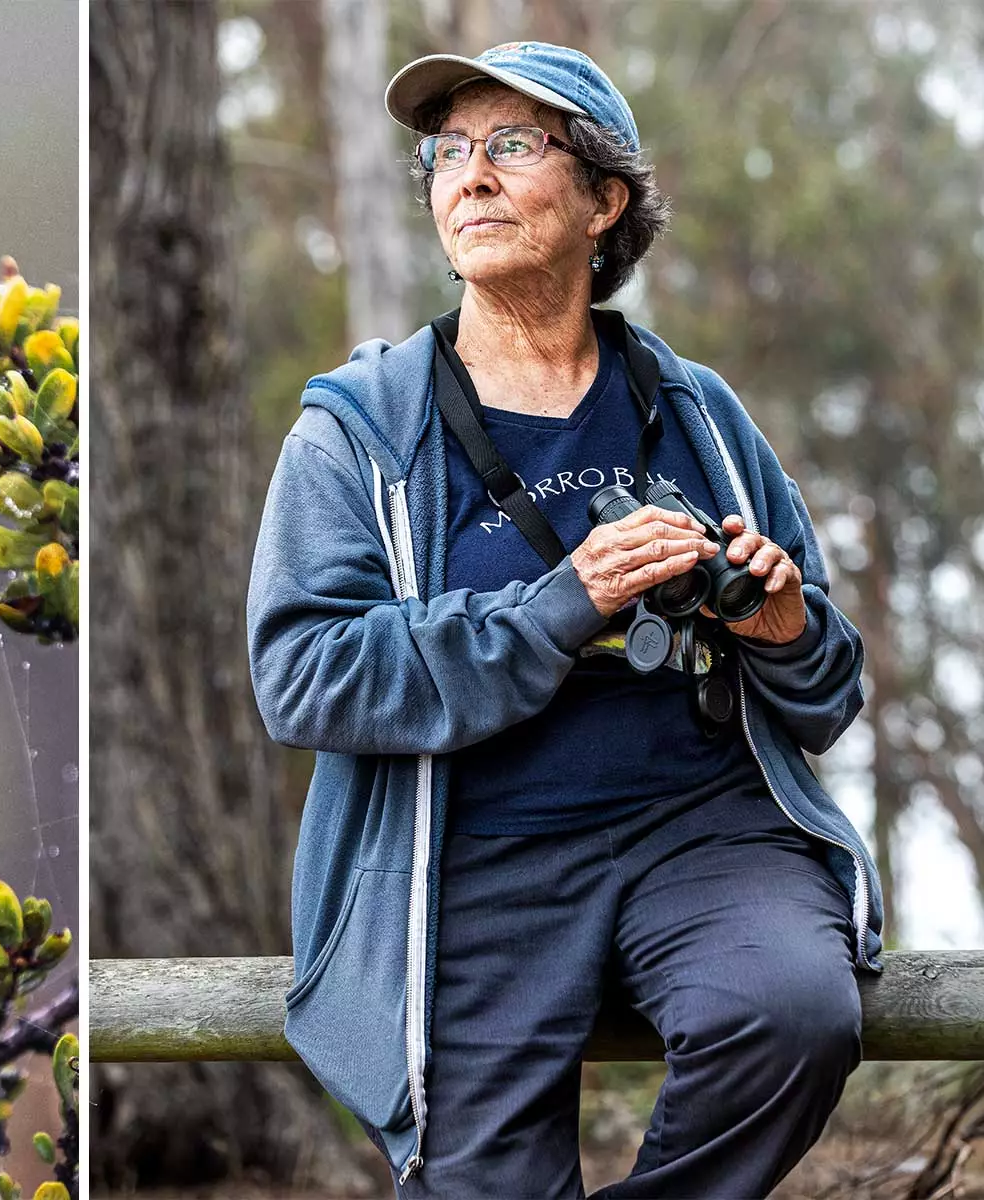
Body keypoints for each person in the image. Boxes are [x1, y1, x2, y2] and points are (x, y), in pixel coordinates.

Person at [246, 42, 880, 1198]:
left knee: (792, 1015)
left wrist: (781, 624)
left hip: (704, 829)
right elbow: (303, 674)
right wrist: (556, 608)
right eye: (446, 153)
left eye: (511, 146)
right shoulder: (358, 432)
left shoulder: (702, 415)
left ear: (604, 201)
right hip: (471, 854)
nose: (467, 177)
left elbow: (830, 696)